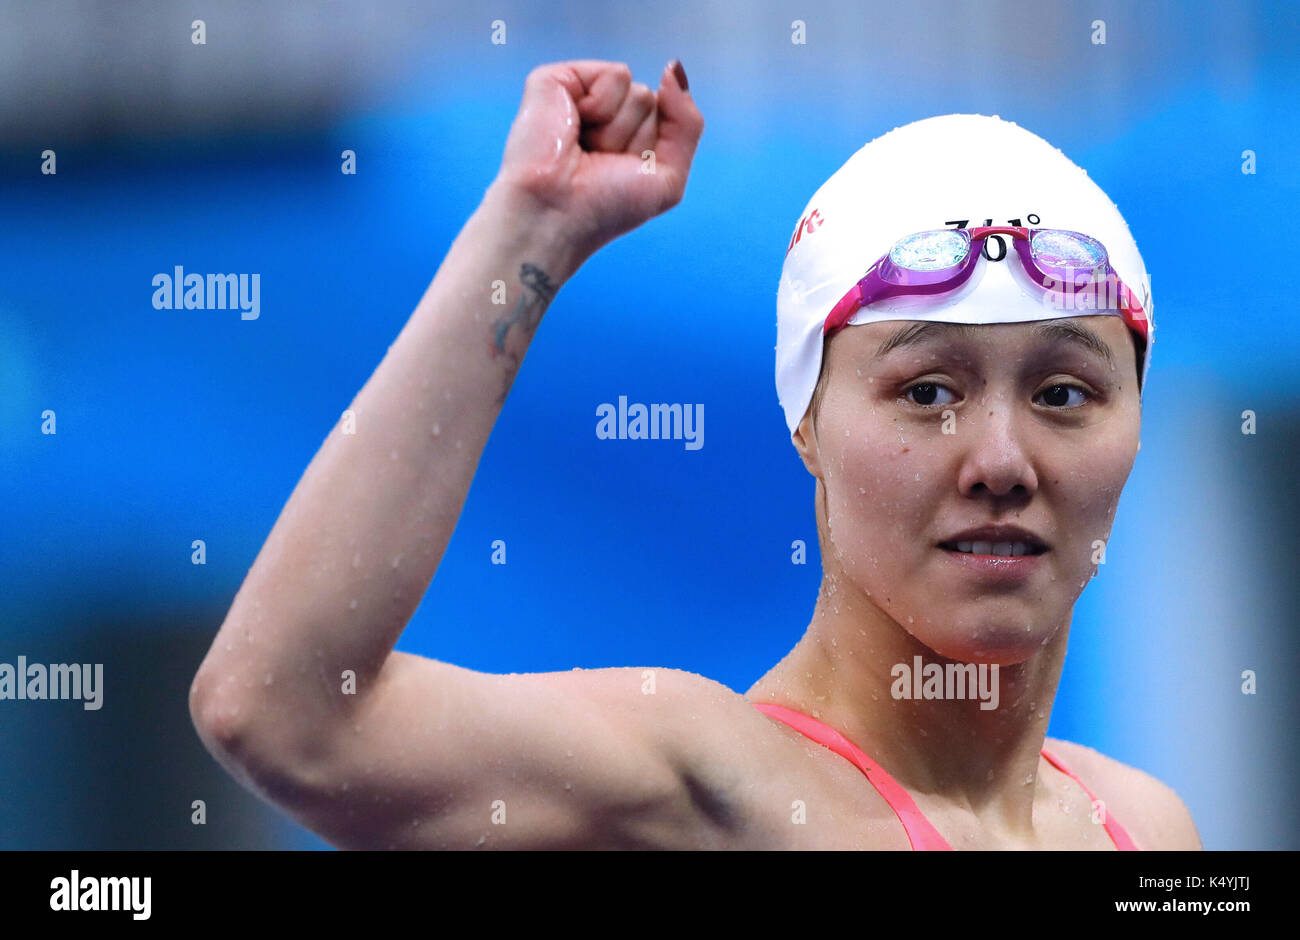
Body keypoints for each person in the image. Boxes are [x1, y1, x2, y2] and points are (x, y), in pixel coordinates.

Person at [189, 59, 1202, 850]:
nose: (1001, 459)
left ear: (1135, 421)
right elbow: (280, 714)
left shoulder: (1144, 828)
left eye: (1063, 393)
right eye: (927, 391)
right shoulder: (704, 792)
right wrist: (530, 232)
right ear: (804, 418)